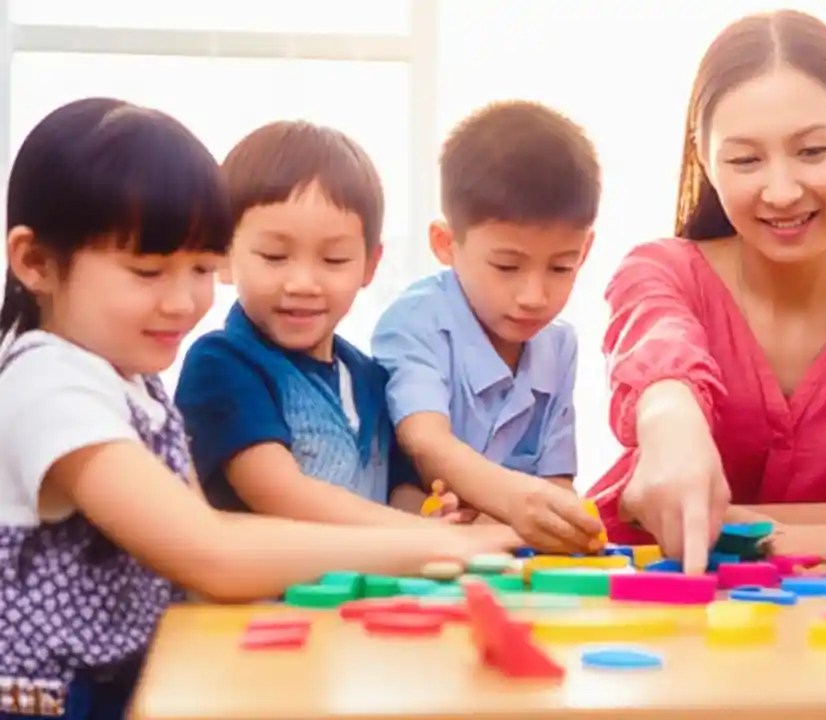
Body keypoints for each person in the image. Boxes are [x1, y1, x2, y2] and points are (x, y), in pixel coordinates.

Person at [0, 98, 516, 719]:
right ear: (34, 262)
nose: (185, 302)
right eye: (147, 271)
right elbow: (211, 553)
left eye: (199, 267)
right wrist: (436, 548)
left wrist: (432, 538)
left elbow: (210, 525)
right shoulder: (47, 382)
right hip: (48, 704)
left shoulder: (126, 380)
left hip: (125, 687)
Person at [586, 10, 826, 572]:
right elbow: (657, 356)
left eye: (811, 151)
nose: (781, 192)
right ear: (704, 159)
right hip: (654, 604)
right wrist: (670, 420)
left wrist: (735, 526)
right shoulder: (661, 271)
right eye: (744, 160)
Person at [373, 101, 604, 553]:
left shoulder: (558, 346)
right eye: (506, 265)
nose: (534, 295)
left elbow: (556, 484)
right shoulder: (416, 322)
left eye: (561, 267)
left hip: (510, 557)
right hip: (414, 547)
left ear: (585, 250)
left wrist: (558, 520)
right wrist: (516, 501)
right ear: (445, 244)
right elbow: (424, 440)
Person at [176, 121, 429, 525]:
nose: (303, 283)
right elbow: (281, 494)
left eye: (334, 261)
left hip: (372, 586)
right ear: (222, 256)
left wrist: (434, 519)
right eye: (275, 257)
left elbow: (402, 488)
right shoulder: (220, 364)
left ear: (370, 265)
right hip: (264, 588)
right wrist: (421, 535)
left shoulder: (373, 377)